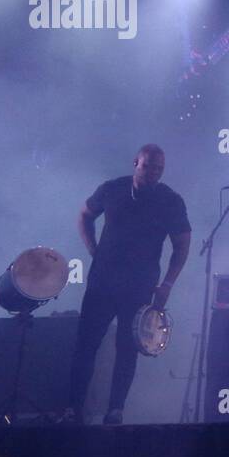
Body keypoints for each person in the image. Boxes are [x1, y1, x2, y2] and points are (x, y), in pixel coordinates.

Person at [65, 144, 191, 425]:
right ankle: (73, 409)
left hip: (140, 284)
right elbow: (84, 215)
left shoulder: (170, 201)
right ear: (136, 163)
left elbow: (182, 245)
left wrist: (167, 284)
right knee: (86, 344)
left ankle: (115, 410)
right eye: (148, 166)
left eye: (159, 168)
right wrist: (93, 249)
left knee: (128, 346)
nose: (153, 172)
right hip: (103, 281)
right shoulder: (112, 189)